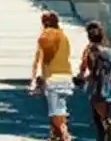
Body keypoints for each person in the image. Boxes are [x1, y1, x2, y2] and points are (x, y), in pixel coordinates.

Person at [28, 10, 74, 141]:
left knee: (57, 119)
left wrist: (34, 81)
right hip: (66, 77)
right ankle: (55, 137)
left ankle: (65, 138)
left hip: (52, 79)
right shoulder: (64, 37)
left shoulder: (44, 37)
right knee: (61, 113)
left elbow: (39, 60)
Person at [78, 21, 111, 141]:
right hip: (110, 86)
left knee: (101, 117)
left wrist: (81, 78)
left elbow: (86, 69)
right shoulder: (108, 48)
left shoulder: (90, 50)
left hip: (97, 86)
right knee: (105, 113)